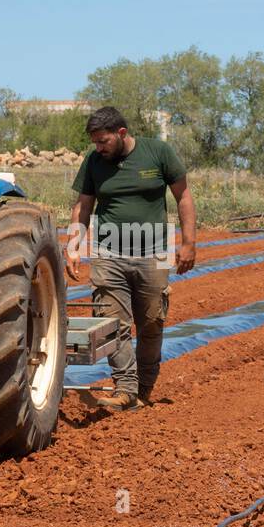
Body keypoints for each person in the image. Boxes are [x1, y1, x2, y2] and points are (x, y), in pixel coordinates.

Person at [66, 106, 196, 411]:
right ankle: (125, 387)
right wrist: (72, 246)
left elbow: (184, 197)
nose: (98, 147)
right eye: (95, 142)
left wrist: (189, 243)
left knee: (151, 322)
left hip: (155, 251)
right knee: (113, 323)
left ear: (121, 133)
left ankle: (144, 389)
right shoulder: (94, 162)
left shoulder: (158, 152)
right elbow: (83, 206)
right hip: (108, 251)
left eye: (103, 141)